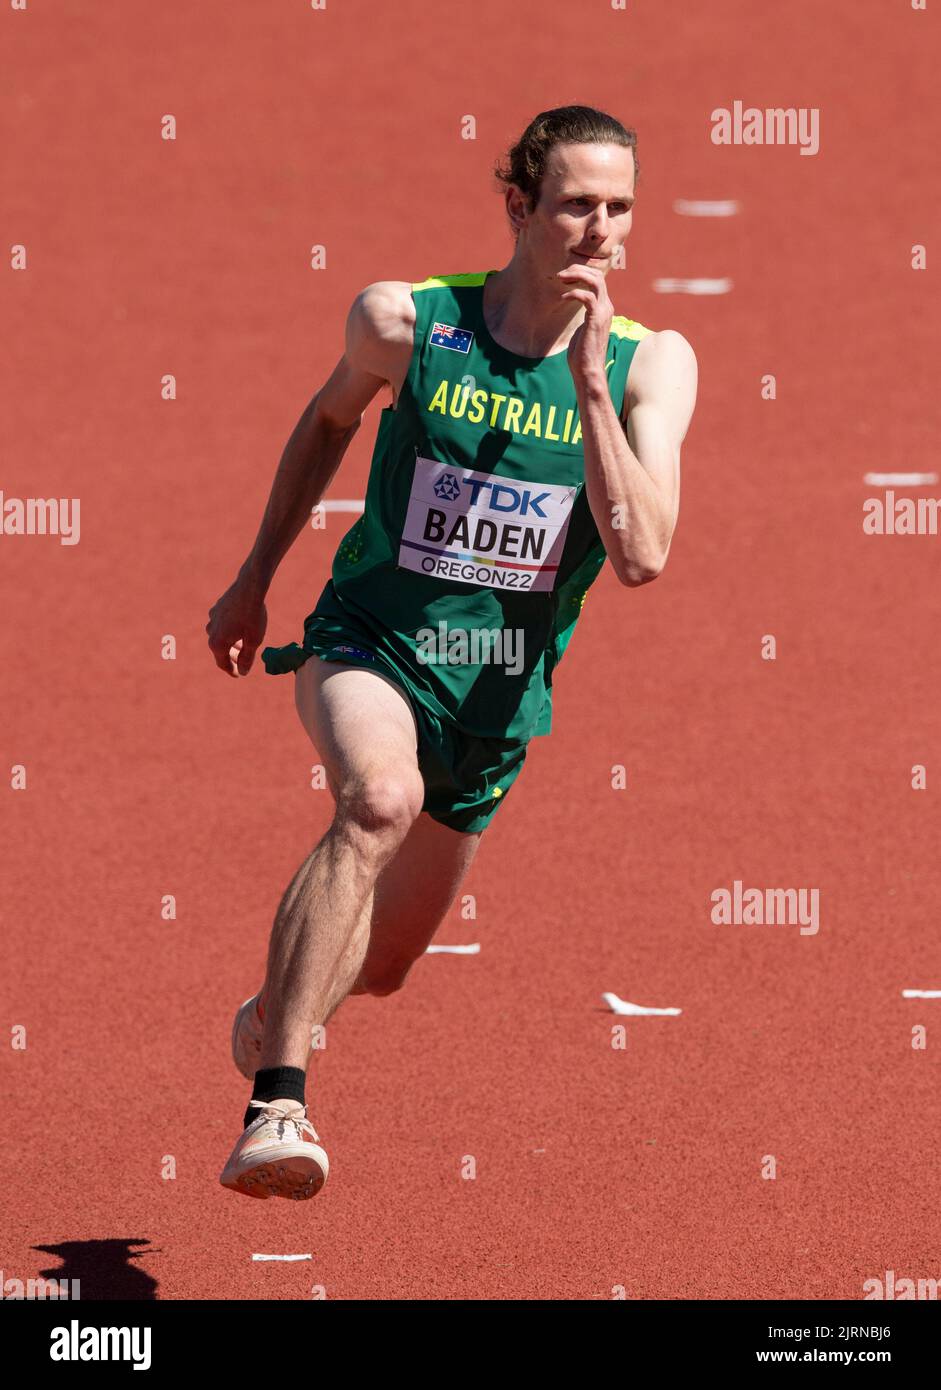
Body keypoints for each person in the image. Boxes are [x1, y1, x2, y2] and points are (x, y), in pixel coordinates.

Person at [207, 105, 698, 1200]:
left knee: (379, 968)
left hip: (495, 702)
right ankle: (277, 1104)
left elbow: (642, 554)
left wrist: (583, 387)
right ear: (519, 206)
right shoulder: (406, 322)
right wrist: (254, 579)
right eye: (575, 204)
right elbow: (329, 422)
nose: (598, 232)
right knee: (377, 799)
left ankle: (270, 1014)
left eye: (617, 209)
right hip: (370, 641)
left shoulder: (645, 367)